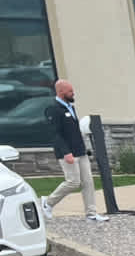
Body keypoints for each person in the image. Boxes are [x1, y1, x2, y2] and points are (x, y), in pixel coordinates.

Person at [42, 79, 107, 222]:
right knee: (73, 182)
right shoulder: (53, 109)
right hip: (67, 153)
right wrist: (66, 152)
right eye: (70, 91)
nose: (73, 93)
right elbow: (55, 134)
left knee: (88, 182)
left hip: (80, 151)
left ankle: (91, 214)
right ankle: (48, 203)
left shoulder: (70, 107)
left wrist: (84, 149)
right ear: (61, 92)